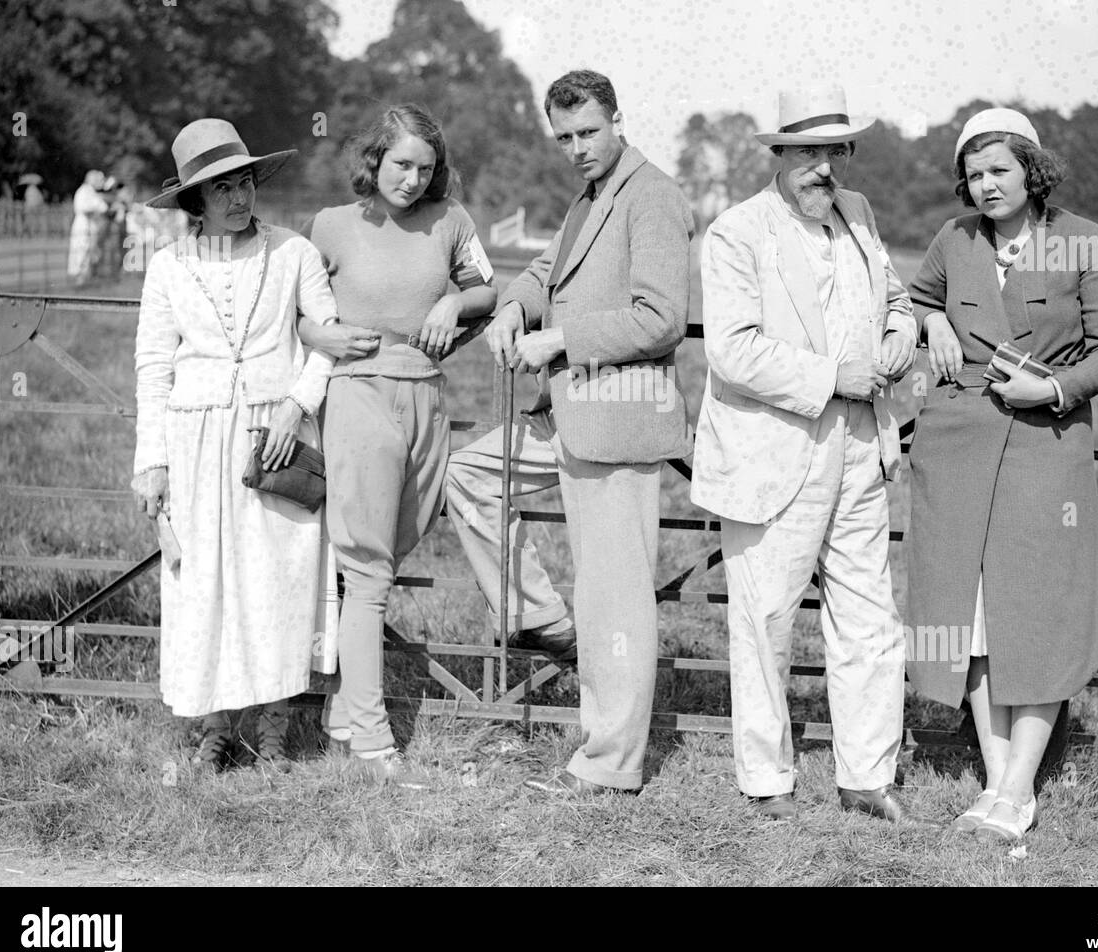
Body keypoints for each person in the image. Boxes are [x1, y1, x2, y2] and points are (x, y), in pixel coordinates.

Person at [445, 68, 693, 796]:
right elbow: (547, 270)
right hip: (567, 414)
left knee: (616, 598)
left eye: (588, 132)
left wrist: (558, 341)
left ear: (619, 118)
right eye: (564, 138)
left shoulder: (652, 197)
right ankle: (546, 619)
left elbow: (660, 319)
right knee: (470, 474)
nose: (577, 148)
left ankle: (611, 764)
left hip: (618, 417)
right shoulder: (591, 195)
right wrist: (515, 307)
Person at [904, 108, 1098, 842]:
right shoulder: (954, 237)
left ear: (1032, 169)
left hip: (1046, 446)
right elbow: (913, 297)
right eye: (973, 174)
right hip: (958, 444)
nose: (986, 185)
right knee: (966, 609)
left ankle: (1015, 786)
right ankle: (999, 781)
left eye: (1000, 169)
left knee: (1036, 611)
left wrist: (1056, 390)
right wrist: (930, 319)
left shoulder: (1087, 241)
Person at [690, 88, 917, 823]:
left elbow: (899, 303)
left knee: (868, 613)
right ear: (779, 155)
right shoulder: (735, 233)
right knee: (765, 617)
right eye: (811, 153)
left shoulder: (859, 216)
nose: (827, 167)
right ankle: (767, 780)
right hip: (773, 451)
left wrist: (897, 342)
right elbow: (732, 350)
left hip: (861, 444)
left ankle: (866, 776)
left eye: (838, 151)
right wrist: (831, 378)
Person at [131, 118, 340, 770]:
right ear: (195, 199)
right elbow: (152, 366)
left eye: (245, 181)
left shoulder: (292, 253)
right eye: (221, 188)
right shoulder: (168, 267)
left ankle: (275, 727)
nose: (239, 197)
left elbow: (327, 340)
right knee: (205, 584)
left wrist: (295, 405)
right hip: (194, 442)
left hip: (271, 442)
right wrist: (152, 461)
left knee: (276, 577)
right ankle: (216, 726)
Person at [300, 104, 497, 786]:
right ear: (373, 161)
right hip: (356, 392)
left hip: (426, 396)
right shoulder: (331, 225)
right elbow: (287, 304)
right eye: (400, 165)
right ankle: (373, 738)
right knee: (369, 568)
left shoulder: (454, 223)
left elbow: (490, 289)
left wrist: (453, 304)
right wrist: (315, 334)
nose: (412, 180)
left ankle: (341, 713)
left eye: (425, 167)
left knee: (402, 535)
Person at [68, 170, 107, 285]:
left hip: (91, 224)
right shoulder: (83, 191)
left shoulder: (91, 192)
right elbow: (83, 207)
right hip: (83, 224)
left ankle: (87, 278)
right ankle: (79, 279)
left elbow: (102, 206)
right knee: (82, 249)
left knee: (92, 251)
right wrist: (96, 207)